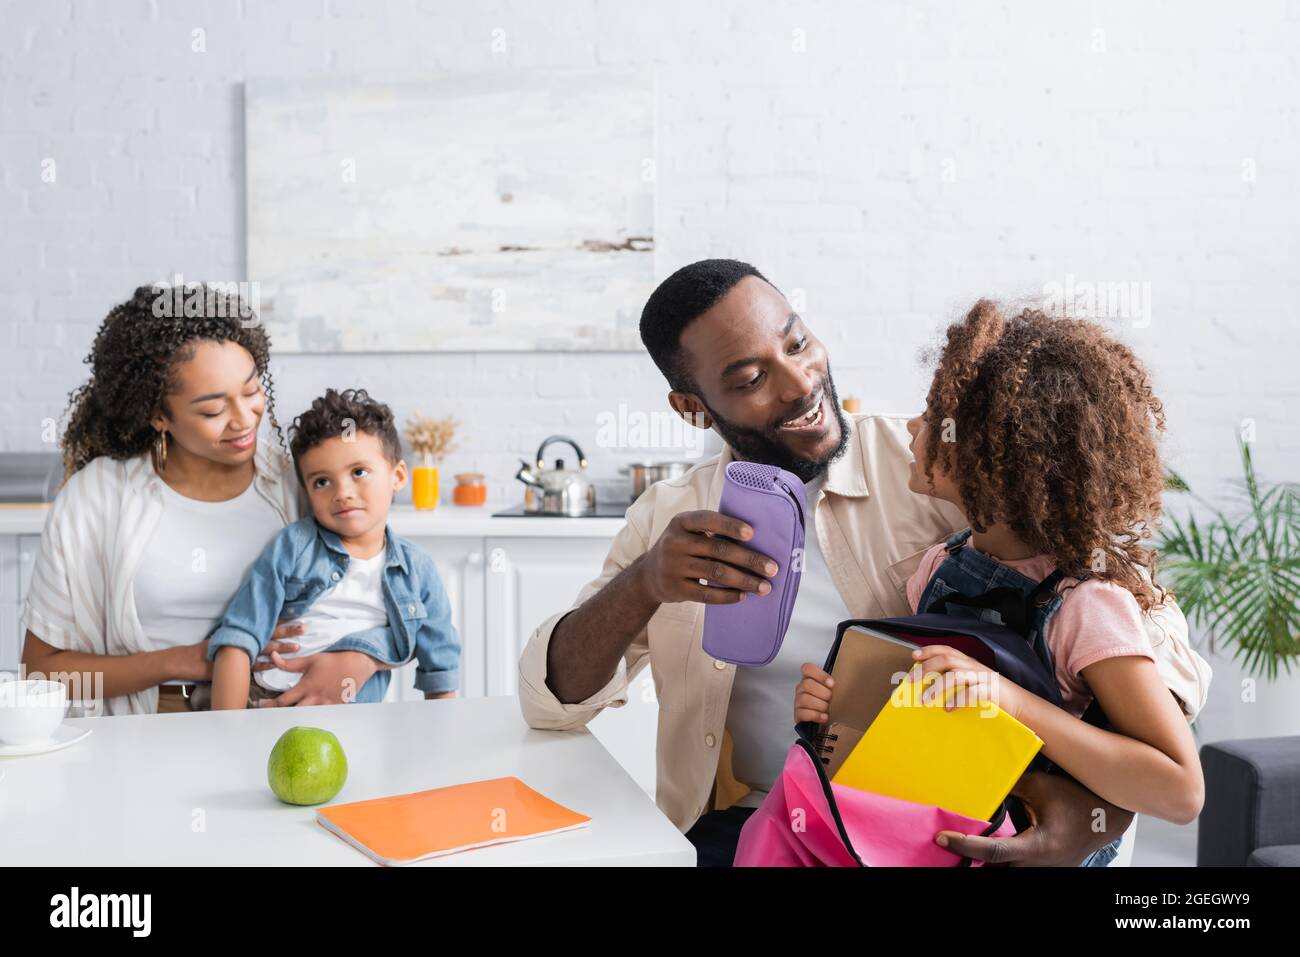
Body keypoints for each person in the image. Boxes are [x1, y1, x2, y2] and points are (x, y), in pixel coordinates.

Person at [519, 259, 1211, 866]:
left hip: (915, 820)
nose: (800, 383)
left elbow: (1133, 629)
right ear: (693, 407)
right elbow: (551, 701)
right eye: (754, 376)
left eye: (797, 342)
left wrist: (1093, 811)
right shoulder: (666, 522)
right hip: (750, 825)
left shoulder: (936, 471)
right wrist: (644, 585)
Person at [795, 300, 1204, 866]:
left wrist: (1009, 700)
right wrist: (841, 711)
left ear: (995, 463)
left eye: (936, 419)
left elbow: (1181, 792)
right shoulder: (939, 565)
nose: (913, 427)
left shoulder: (1087, 606)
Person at [20, 284, 396, 715]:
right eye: (213, 411)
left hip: (283, 726)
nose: (243, 420)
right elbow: (41, 673)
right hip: (146, 734)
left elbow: (397, 590)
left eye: (252, 390)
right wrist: (186, 660)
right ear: (159, 415)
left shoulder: (303, 481)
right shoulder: (96, 499)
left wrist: (359, 660)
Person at [207, 388, 460, 708]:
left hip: (356, 713)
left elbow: (441, 664)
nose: (342, 492)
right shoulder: (294, 546)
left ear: (397, 476)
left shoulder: (417, 569)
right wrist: (227, 731)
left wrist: (442, 731)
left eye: (359, 472)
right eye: (322, 481)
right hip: (269, 703)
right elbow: (239, 637)